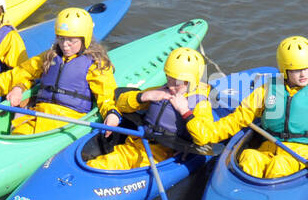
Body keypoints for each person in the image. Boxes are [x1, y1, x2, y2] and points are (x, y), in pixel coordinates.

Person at [203, 36, 308, 179]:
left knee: (279, 166)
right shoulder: (267, 89)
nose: (304, 74)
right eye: (296, 70)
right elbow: (239, 117)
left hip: (302, 154)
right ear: (285, 70)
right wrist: (208, 135)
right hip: (268, 149)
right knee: (249, 157)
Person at [0, 7, 119, 135]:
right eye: (61, 38)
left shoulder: (95, 64)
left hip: (69, 122)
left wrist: (112, 113)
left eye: (71, 40)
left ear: (85, 38)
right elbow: (21, 73)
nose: (65, 45)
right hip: (38, 115)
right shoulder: (50, 56)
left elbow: (106, 94)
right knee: (17, 134)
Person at [86, 48, 217, 170]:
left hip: (161, 154)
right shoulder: (161, 90)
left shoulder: (199, 104)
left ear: (190, 82)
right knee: (95, 166)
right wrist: (143, 96)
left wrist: (185, 112)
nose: (170, 87)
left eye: (177, 82)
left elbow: (205, 137)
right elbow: (120, 103)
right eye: (168, 79)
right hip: (136, 144)